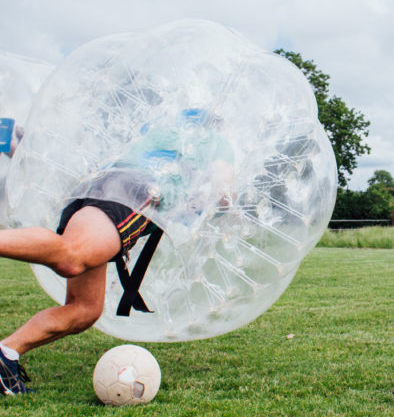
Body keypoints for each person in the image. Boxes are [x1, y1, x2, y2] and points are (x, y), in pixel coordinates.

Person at [0, 109, 234, 396]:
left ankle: (6, 354)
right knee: (72, 257)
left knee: (83, 310)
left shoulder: (160, 133)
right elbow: (224, 193)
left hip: (100, 184)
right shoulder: (215, 142)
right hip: (137, 191)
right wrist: (224, 203)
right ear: (215, 122)